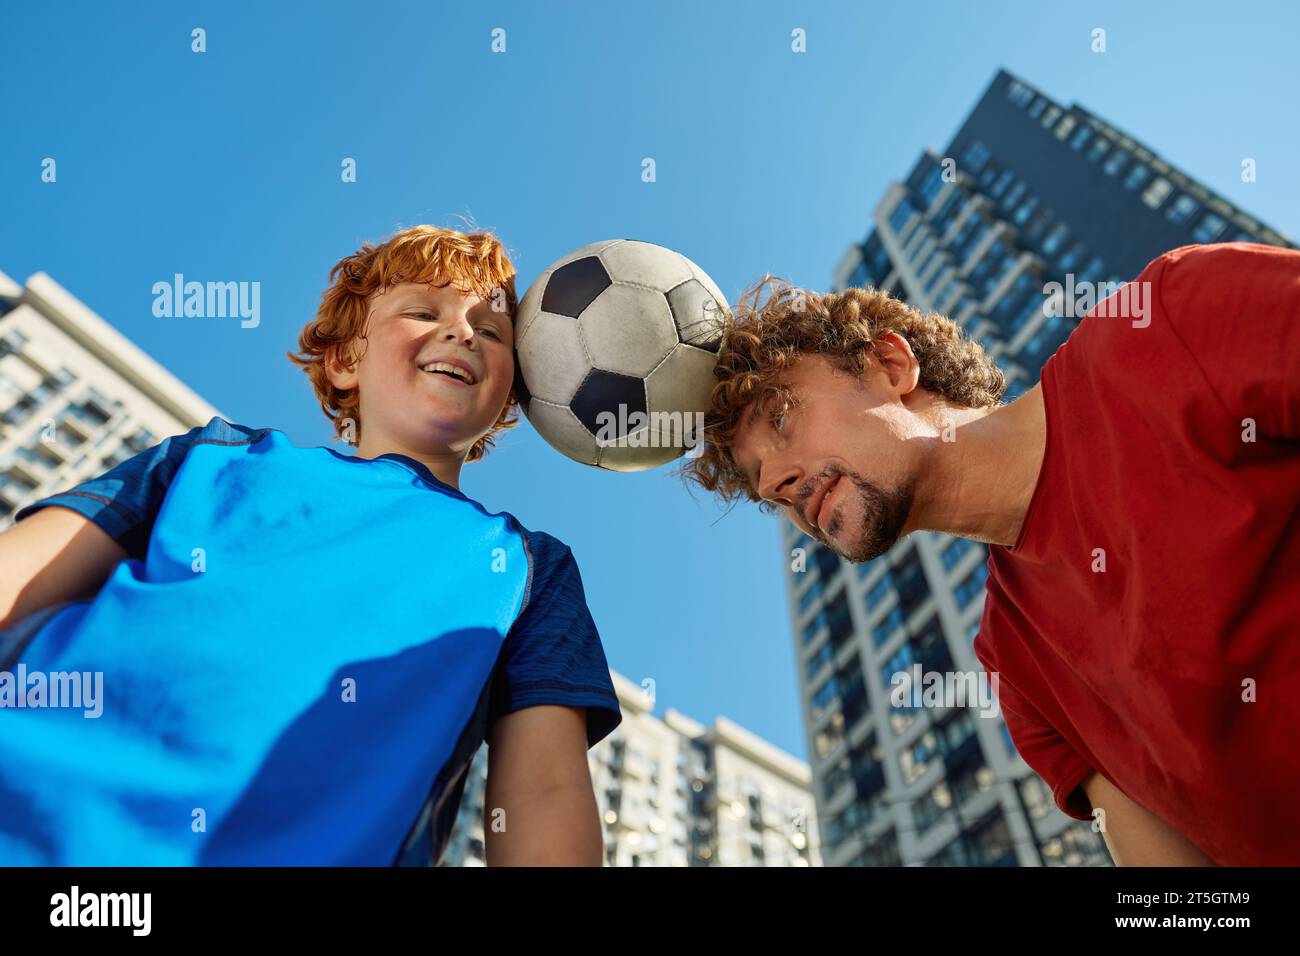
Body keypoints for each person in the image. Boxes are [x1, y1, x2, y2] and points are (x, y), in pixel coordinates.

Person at [0, 225, 622, 865]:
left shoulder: (532, 569)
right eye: (421, 311)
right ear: (345, 360)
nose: (464, 332)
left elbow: (544, 792)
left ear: (507, 399)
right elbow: (16, 577)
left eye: (490, 331)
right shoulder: (212, 458)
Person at [684, 242, 1300, 866]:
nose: (772, 487)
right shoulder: (1016, 667)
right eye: (759, 480)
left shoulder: (1166, 324)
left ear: (891, 365)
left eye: (783, 419)